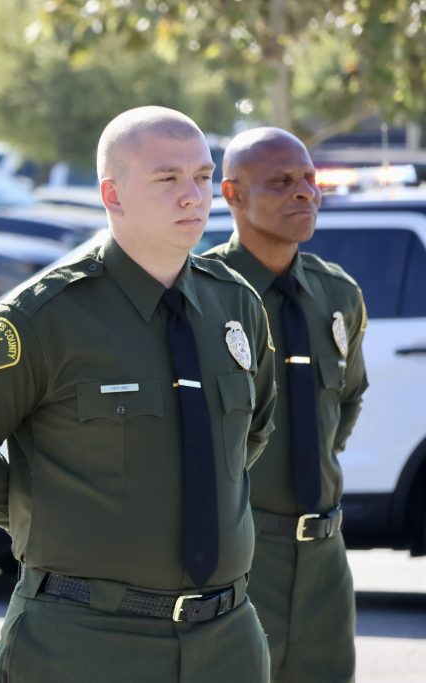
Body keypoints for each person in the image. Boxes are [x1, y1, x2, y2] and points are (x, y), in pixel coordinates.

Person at [0, 106, 277, 682]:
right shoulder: (45, 315)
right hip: (85, 641)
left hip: (226, 640)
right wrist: (41, 520)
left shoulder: (234, 305)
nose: (193, 195)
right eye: (168, 179)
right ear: (112, 194)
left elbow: (252, 431)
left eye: (203, 176)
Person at [205, 127, 368, 682]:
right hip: (240, 557)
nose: (304, 192)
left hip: (325, 561)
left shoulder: (336, 294)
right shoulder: (201, 295)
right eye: (280, 181)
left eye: (308, 179)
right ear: (232, 194)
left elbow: (346, 401)